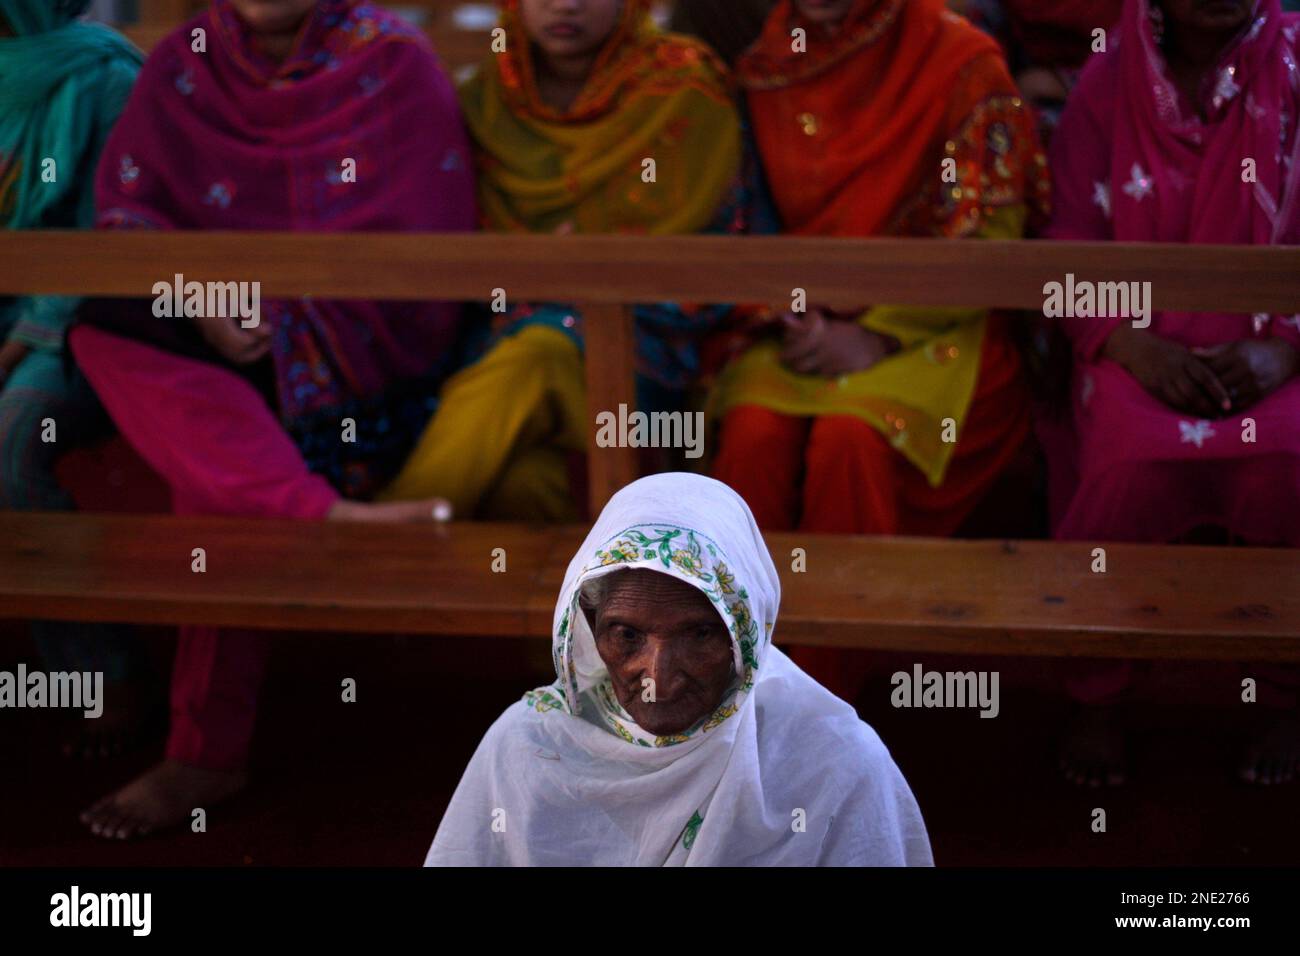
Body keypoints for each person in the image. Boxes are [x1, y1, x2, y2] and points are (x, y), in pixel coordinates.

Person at [70, 0, 477, 838]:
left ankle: (203, 754)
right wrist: (203, 294)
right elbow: (132, 213)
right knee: (102, 321)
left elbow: (425, 251)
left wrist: (282, 315)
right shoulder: (188, 58)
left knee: (214, 461)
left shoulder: (394, 60)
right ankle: (318, 515)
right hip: (214, 333)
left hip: (357, 361)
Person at [708, 0, 1049, 702]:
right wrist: (789, 308)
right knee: (751, 435)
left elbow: (990, 238)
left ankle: (823, 710)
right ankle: (723, 693)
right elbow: (745, 222)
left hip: (936, 328)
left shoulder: (962, 61)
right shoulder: (768, 64)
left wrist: (877, 332)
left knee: (851, 442)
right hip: (799, 324)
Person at [1046, 0, 1300, 787]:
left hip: (1276, 351)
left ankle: (1288, 693)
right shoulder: (1107, 75)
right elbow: (1067, 247)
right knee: (1124, 463)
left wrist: (1284, 348)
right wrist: (1129, 344)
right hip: (1136, 348)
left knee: (1287, 462)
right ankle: (1098, 697)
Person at [426, 473, 933, 866]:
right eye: (627, 636)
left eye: (700, 635)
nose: (658, 679)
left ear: (746, 634)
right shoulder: (528, 746)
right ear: (588, 623)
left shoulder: (832, 762)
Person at [378, 0, 758, 521]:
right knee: (525, 482)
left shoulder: (685, 88)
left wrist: (580, 269)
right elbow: (455, 244)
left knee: (541, 350)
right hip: (504, 349)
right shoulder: (488, 99)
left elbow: (712, 256)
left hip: (650, 360)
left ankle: (374, 537)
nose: (566, 5)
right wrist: (526, 269)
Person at [0, 0, 148, 757]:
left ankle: (95, 673)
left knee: (17, 433)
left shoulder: (103, 72)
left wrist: (26, 335)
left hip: (77, 320)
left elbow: (107, 238)